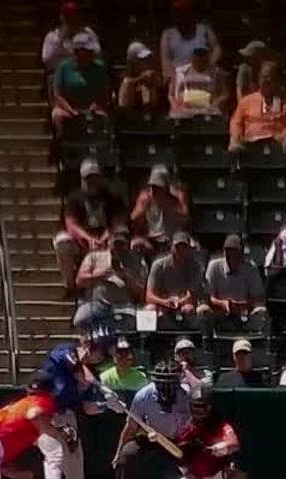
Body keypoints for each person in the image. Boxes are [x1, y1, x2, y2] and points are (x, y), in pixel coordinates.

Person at [34, 323, 121, 479]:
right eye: (102, 352)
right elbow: (77, 370)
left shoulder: (91, 376)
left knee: (76, 467)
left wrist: (106, 406)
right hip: (43, 413)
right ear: (92, 346)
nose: (103, 358)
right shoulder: (64, 351)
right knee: (55, 456)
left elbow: (87, 408)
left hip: (67, 418)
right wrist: (101, 387)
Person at [145, 383, 249, 479]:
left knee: (237, 474)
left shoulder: (220, 425)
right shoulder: (186, 429)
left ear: (211, 407)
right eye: (196, 406)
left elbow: (234, 444)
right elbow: (176, 454)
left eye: (204, 407)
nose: (200, 411)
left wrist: (221, 447)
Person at [110, 360, 192, 479]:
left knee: (204, 461)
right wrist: (119, 452)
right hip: (152, 437)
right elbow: (131, 427)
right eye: (162, 381)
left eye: (170, 381)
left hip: (180, 439)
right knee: (127, 455)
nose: (166, 386)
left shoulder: (189, 395)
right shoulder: (143, 395)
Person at [54, 158, 127, 293]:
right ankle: (70, 284)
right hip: (81, 241)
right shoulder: (74, 199)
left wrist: (106, 236)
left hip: (106, 240)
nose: (92, 182)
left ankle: (120, 281)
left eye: (95, 177)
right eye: (88, 178)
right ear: (82, 179)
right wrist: (88, 238)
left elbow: (118, 221)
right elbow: (71, 225)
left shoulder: (112, 198)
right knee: (62, 242)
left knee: (120, 234)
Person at [228, 62, 286, 152]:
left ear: (278, 80)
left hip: (278, 142)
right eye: (263, 77)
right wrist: (238, 135)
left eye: (270, 77)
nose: (266, 80)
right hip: (250, 142)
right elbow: (236, 121)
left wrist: (282, 136)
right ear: (258, 80)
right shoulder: (246, 101)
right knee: (234, 142)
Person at [51, 32, 111, 138]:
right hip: (68, 108)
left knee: (103, 117)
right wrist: (71, 110)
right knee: (57, 115)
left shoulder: (99, 68)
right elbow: (58, 95)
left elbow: (104, 92)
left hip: (93, 108)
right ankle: (61, 141)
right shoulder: (63, 67)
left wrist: (94, 106)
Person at [129, 166, 190, 258]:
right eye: (152, 187)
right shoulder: (145, 197)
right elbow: (133, 219)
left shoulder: (177, 197)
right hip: (151, 240)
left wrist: (168, 206)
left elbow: (186, 219)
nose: (154, 191)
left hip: (173, 239)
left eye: (158, 187)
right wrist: (142, 210)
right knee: (135, 245)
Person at [158, 0, 222, 82]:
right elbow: (166, 61)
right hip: (180, 76)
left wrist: (209, 65)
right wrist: (171, 77)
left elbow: (217, 49)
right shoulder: (168, 34)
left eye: (184, 11)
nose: (181, 14)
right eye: (178, 11)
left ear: (190, 10)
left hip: (204, 74)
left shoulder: (204, 29)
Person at [170, 43, 231, 119]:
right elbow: (171, 94)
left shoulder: (216, 72)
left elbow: (225, 93)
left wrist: (215, 103)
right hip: (183, 111)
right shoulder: (180, 72)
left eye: (203, 55)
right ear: (192, 56)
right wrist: (175, 105)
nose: (200, 58)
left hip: (209, 111)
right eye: (197, 55)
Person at [118, 42, 166, 112]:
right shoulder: (127, 72)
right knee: (127, 84)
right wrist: (141, 78)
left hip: (150, 103)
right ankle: (126, 112)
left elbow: (160, 84)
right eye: (142, 59)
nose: (145, 61)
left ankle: (150, 110)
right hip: (131, 103)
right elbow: (126, 81)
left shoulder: (151, 70)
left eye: (147, 58)